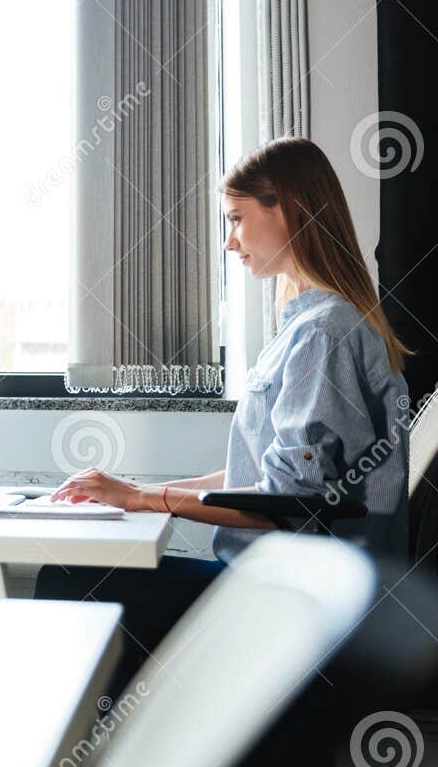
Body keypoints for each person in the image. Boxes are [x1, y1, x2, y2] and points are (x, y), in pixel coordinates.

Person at [38, 136, 411, 696]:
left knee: (69, 580)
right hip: (286, 589)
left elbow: (284, 504)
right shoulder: (314, 323)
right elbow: (263, 478)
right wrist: (137, 489)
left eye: (237, 219)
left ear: (292, 210)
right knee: (80, 577)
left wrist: (141, 499)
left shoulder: (323, 333)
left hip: (285, 602)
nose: (230, 240)